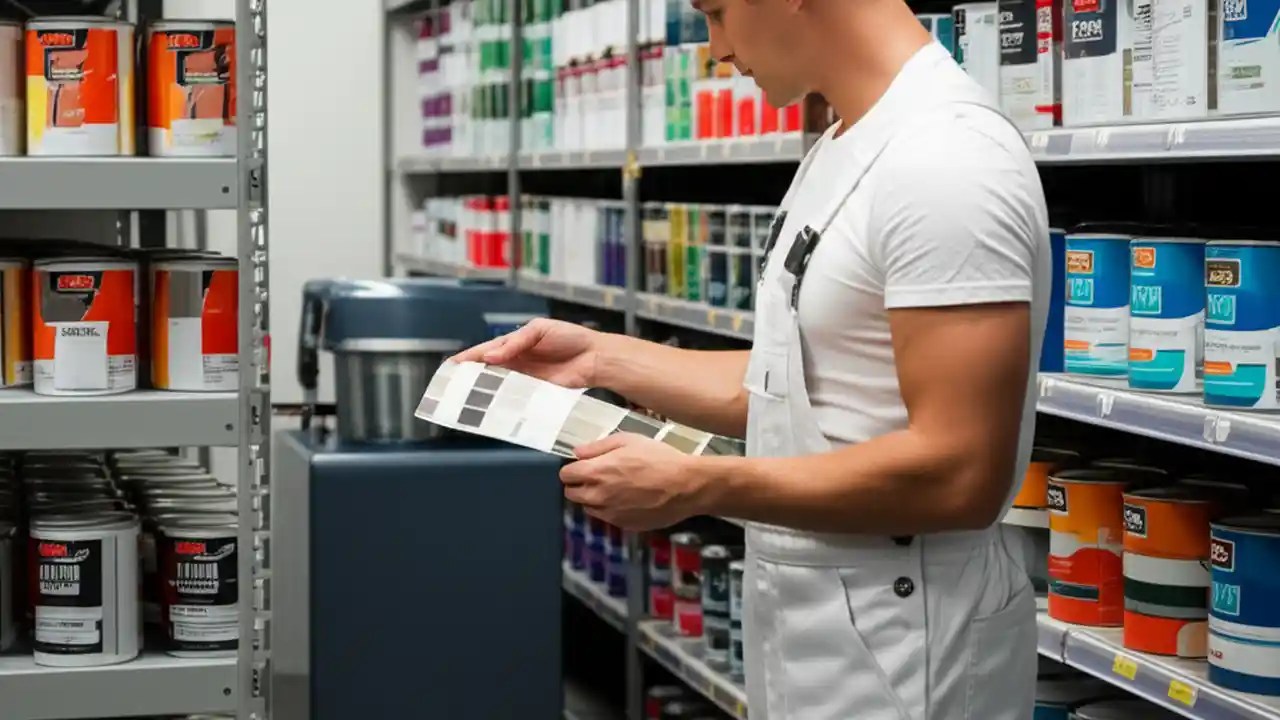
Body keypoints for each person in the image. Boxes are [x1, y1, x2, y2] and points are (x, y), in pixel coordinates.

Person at [455, 0, 1049, 716]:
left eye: (716, 13)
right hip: (827, 626)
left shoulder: (947, 161)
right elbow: (790, 385)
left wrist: (698, 486)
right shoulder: (844, 145)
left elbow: (962, 474)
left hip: (913, 645)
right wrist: (598, 358)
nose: (716, 51)